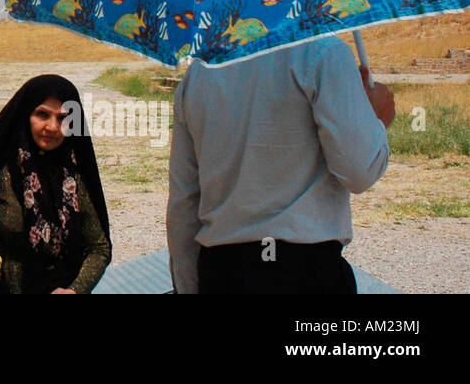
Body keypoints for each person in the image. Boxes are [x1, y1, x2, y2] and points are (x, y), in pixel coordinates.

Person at [167, 34, 394, 294]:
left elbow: (183, 204)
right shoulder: (323, 52)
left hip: (221, 271)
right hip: (305, 273)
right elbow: (360, 172)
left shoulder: (199, 72)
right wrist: (376, 121)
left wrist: (188, 286)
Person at [0, 75, 112, 294]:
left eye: (63, 119)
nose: (53, 127)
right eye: (42, 115)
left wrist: (75, 290)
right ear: (25, 115)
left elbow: (99, 247)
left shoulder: (73, 178)